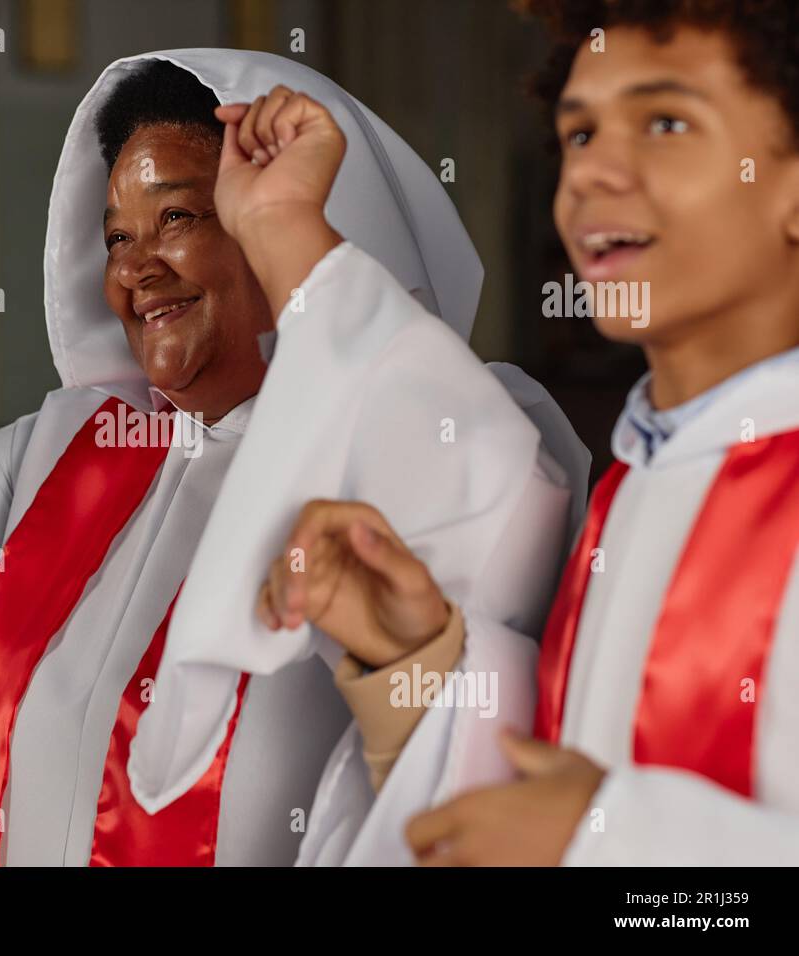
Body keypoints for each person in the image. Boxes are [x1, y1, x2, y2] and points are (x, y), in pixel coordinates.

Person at [0, 50, 578, 866]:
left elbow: (468, 698)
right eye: (116, 236)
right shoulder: (74, 449)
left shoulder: (453, 444)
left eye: (179, 219)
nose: (132, 268)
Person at [301, 1, 799, 866]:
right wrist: (417, 659)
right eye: (578, 133)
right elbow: (570, 776)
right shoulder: (642, 477)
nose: (593, 173)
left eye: (666, 122)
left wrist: (603, 842)